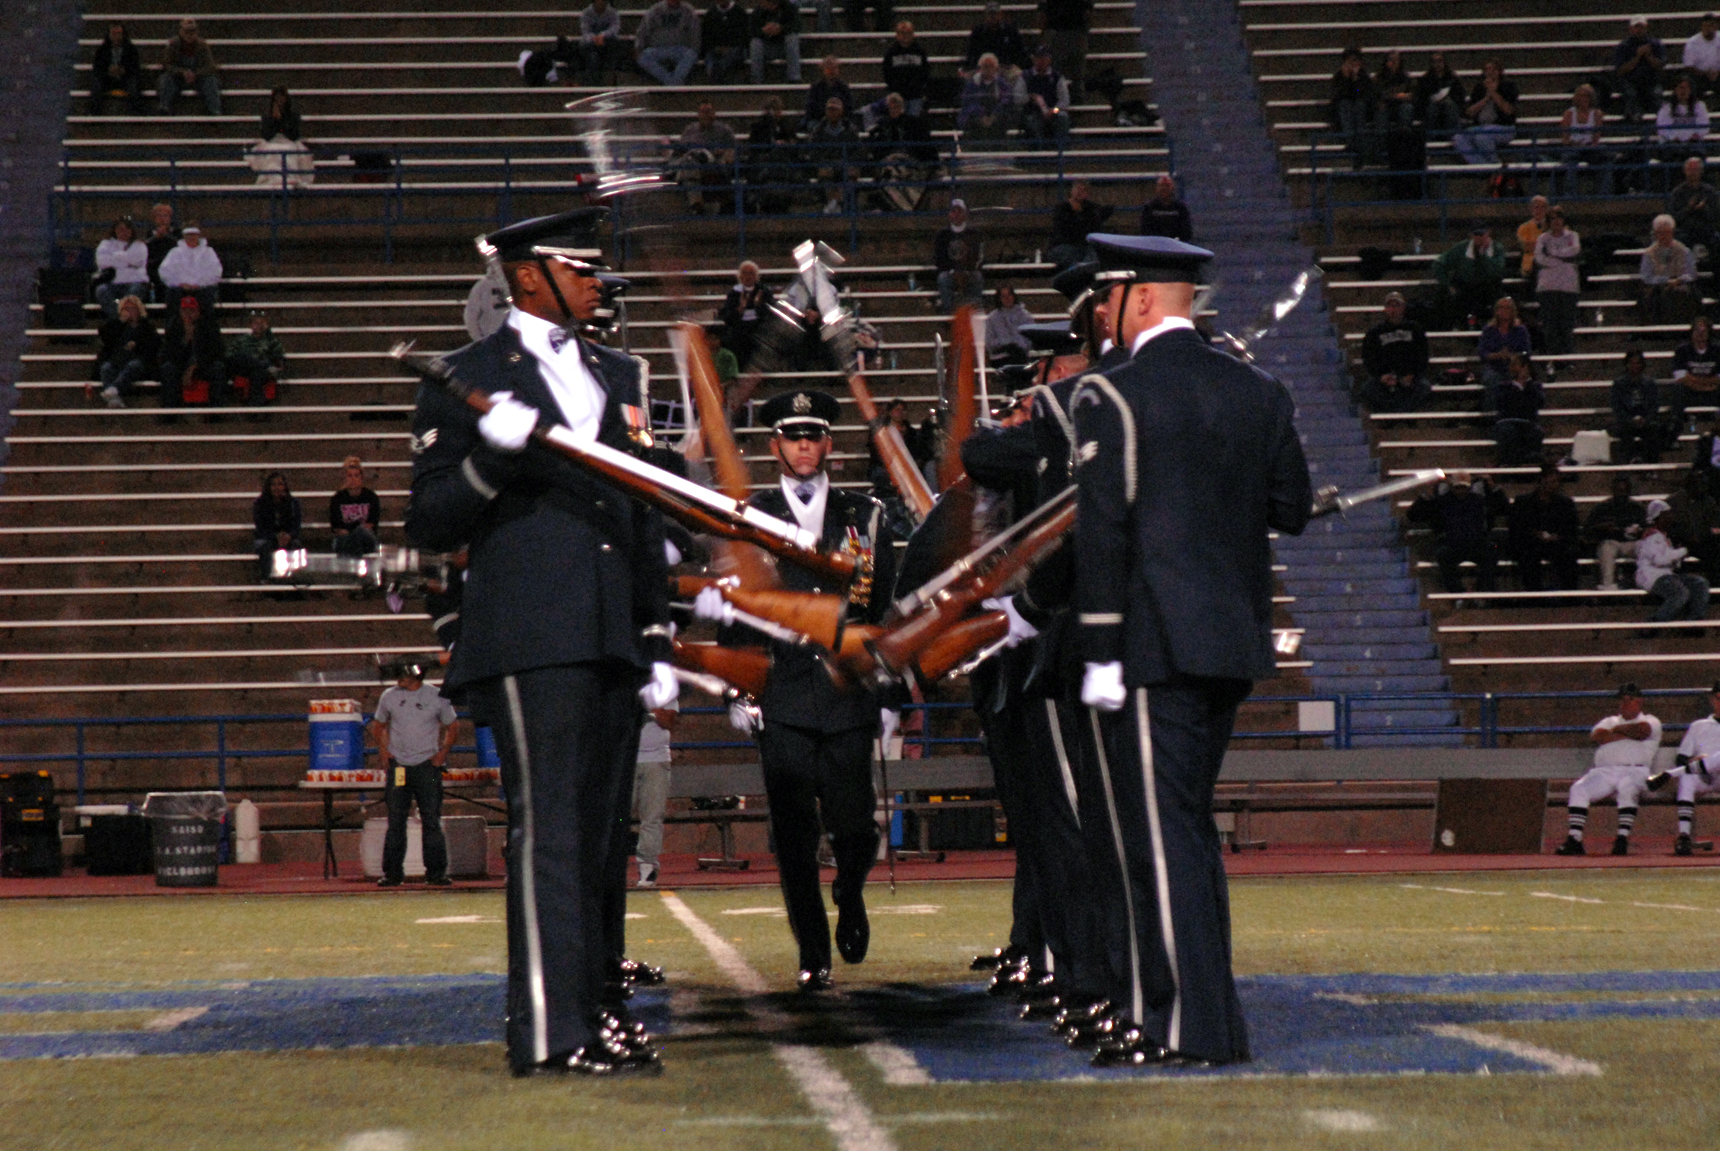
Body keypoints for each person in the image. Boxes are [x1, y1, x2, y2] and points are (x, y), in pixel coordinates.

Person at [404, 208, 675, 1077]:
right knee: (550, 829)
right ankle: (550, 1032)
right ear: (528, 277)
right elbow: (432, 516)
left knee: (598, 836)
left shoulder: (619, 368)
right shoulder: (469, 375)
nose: (599, 283)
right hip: (531, 628)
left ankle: (593, 1013)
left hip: (612, 627)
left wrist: (659, 626)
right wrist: (491, 456)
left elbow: (640, 506)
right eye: (580, 268)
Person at [1070, 233, 1311, 1069]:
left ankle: (1183, 1026)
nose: (1106, 312)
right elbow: (1295, 507)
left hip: (1150, 641)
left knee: (1157, 837)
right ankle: (1200, 1018)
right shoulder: (1261, 390)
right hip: (1233, 639)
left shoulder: (1112, 392)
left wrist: (1099, 646)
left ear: (1138, 297)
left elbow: (1103, 528)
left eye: (1111, 296)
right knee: (1190, 833)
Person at [695, 389, 895, 992]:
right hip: (780, 688)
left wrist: (882, 689)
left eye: (814, 436)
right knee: (793, 832)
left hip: (844, 688)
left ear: (829, 444)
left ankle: (851, 889)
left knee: (856, 826)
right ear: (774, 444)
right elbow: (735, 610)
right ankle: (813, 949)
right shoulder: (748, 513)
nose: (804, 446)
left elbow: (879, 605)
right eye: (793, 436)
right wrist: (737, 689)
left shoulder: (867, 514)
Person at [371, 663, 459, 886]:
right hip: (399, 767)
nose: (398, 679)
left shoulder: (437, 695)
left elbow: (453, 725)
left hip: (427, 767)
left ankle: (436, 873)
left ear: (416, 675)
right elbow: (379, 725)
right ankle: (392, 873)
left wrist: (442, 753)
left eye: (403, 674)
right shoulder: (389, 696)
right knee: (396, 820)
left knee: (431, 819)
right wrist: (384, 751)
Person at [1554, 685, 1662, 857]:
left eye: (1629, 700)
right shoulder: (1610, 720)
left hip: (1634, 770)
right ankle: (1575, 839)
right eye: (1622, 700)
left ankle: (1622, 839)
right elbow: (1598, 736)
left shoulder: (1651, 720)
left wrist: (1617, 731)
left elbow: (1642, 731)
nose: (1625, 704)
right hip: (1605, 771)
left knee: (1627, 788)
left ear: (1640, 701)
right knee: (1579, 788)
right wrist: (1624, 732)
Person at [1647, 681, 1720, 854]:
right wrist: (1695, 760)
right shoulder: (1699, 726)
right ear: (1712, 700)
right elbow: (1682, 757)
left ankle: (1668, 774)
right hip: (1704, 776)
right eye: (1718, 698)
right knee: (1688, 777)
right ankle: (1684, 836)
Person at [1409, 470, 1507, 594]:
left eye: (1463, 487)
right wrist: (1429, 493)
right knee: (1442, 554)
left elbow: (1505, 509)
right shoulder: (1441, 502)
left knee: (1493, 549)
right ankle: (1458, 593)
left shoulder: (1480, 501)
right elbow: (1413, 515)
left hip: (1478, 544)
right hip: (1450, 545)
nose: (1461, 491)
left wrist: (1494, 488)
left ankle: (1483, 591)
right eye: (1457, 487)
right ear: (1451, 487)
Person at [1636, 498, 1710, 625]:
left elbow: (1669, 560)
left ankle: (1695, 620)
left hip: (1667, 575)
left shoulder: (1664, 536)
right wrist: (1683, 551)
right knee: (1680, 593)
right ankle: (1654, 622)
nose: (1671, 516)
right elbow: (1660, 560)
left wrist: (1677, 557)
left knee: (1699, 583)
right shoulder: (1652, 536)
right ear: (1659, 516)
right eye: (1667, 514)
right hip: (1653, 577)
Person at [1508, 464, 1578, 590]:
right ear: (1541, 481)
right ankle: (1534, 595)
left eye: (1556, 481)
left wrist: (1558, 536)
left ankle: (1570, 596)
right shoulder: (1523, 502)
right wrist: (1534, 533)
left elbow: (1571, 527)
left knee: (1569, 554)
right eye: (1550, 481)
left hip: (1557, 543)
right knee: (1527, 554)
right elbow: (1516, 527)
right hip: (1531, 542)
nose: (1553, 485)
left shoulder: (1565, 503)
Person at [1359, 291, 1430, 411]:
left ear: (1403, 307)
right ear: (1385, 308)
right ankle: (1393, 414)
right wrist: (1382, 375)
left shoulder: (1415, 329)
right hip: (1384, 377)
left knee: (1424, 387)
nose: (1393, 309)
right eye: (1390, 306)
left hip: (1410, 376)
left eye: (1397, 305)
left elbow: (1422, 355)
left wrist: (1411, 374)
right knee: (1368, 389)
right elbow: (1369, 357)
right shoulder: (1375, 332)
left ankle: (1400, 414)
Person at [632, 698, 676, 888]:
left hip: (655, 761)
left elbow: (669, 721)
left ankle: (647, 868)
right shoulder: (624, 681)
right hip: (626, 757)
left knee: (651, 816)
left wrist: (648, 707)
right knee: (617, 819)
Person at [1432, 222, 1506, 328]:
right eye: (1476, 234)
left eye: (1482, 234)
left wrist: (1483, 256)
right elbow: (1438, 264)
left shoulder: (1497, 249)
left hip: (1488, 290)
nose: (1479, 237)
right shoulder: (1461, 248)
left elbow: (1496, 272)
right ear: (1471, 235)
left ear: (1488, 233)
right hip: (1465, 290)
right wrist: (1448, 284)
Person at [670, 101, 737, 216]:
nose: (706, 115)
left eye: (709, 112)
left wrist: (720, 153)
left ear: (714, 114)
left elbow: (732, 152)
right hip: (692, 163)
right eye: (703, 112)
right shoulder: (690, 130)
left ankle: (695, 203)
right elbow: (681, 149)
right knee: (689, 164)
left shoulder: (724, 131)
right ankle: (696, 203)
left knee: (688, 170)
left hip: (713, 164)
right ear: (698, 114)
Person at [93, 294, 159, 409]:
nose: (129, 312)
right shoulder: (116, 325)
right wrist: (120, 322)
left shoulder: (147, 326)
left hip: (139, 361)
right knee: (106, 368)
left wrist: (137, 344)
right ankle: (114, 398)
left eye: (133, 308)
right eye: (126, 309)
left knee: (133, 366)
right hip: (117, 360)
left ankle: (113, 389)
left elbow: (153, 346)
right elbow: (106, 338)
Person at [159, 295, 226, 408]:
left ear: (198, 311)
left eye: (192, 310)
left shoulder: (209, 326)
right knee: (167, 368)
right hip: (180, 365)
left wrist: (194, 367)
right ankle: (170, 412)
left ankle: (215, 411)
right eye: (185, 310)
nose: (188, 314)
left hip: (202, 365)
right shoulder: (174, 326)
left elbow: (216, 351)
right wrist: (185, 339)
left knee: (218, 368)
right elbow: (168, 353)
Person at [1533, 206, 1581, 357]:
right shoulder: (1543, 238)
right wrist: (1561, 260)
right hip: (1548, 286)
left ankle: (1567, 357)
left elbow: (1574, 250)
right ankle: (1552, 356)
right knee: (1550, 324)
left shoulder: (1572, 236)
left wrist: (1553, 254)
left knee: (1566, 324)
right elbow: (1539, 258)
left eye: (1558, 218)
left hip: (1568, 286)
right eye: (1552, 219)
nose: (1556, 222)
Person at [1586, 475, 1647, 591]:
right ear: (1613, 490)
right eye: (1619, 491)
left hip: (1632, 543)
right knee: (1606, 548)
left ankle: (1645, 582)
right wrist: (1603, 528)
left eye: (1624, 491)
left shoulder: (1637, 508)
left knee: (1646, 547)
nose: (1621, 494)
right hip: (1611, 542)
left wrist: (1638, 531)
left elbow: (1646, 529)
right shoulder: (1602, 508)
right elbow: (1589, 529)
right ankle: (1608, 585)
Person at [1454, 59, 1517, 165]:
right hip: (1480, 127)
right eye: (1487, 69)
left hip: (1504, 128)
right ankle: (1482, 165)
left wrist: (1493, 92)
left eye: (1494, 69)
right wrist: (1486, 98)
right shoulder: (1479, 88)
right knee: (1458, 138)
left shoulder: (1508, 86)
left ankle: (1495, 164)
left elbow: (1508, 111)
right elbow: (1469, 112)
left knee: (1482, 136)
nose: (1490, 72)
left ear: (1500, 72)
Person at [1643, 213, 1702, 325]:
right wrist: (1664, 281)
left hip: (1680, 284)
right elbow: (1646, 277)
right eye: (1660, 233)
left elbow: (1692, 273)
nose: (1663, 236)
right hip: (1658, 287)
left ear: (1672, 232)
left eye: (1666, 232)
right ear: (1655, 234)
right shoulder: (1649, 253)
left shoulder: (1684, 251)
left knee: (1683, 293)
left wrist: (1679, 280)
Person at [156, 17, 221, 116]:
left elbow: (210, 66)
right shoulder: (173, 45)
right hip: (178, 78)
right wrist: (182, 72)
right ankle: (164, 106)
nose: (189, 35)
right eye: (186, 32)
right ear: (181, 31)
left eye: (192, 32)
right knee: (165, 79)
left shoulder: (202, 45)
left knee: (211, 81)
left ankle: (214, 109)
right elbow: (167, 64)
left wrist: (196, 74)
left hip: (198, 78)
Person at [1612, 348, 1668, 463]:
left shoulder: (1649, 383)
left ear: (1642, 365)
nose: (1634, 366)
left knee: (1654, 430)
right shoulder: (1619, 384)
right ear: (1626, 364)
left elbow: (1654, 405)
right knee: (1623, 430)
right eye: (1631, 363)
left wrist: (1646, 419)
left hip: (1646, 420)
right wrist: (1630, 419)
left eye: (1637, 363)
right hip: (1626, 421)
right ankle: (1626, 466)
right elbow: (1617, 407)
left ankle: (1651, 466)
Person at [808, 96, 860, 215]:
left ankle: (837, 203)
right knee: (826, 174)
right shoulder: (818, 130)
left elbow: (858, 149)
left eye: (835, 109)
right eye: (830, 109)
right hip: (826, 163)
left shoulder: (849, 129)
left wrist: (851, 163)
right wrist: (821, 163)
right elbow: (812, 151)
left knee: (851, 174)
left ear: (841, 111)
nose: (832, 112)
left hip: (845, 163)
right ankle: (833, 204)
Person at [155, 223, 222, 316]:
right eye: (189, 235)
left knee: (206, 298)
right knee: (172, 296)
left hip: (202, 288)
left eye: (194, 235)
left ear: (198, 236)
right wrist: (179, 283)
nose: (191, 238)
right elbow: (165, 271)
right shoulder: (175, 252)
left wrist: (199, 284)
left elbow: (215, 272)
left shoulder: (208, 252)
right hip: (180, 288)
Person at [1476, 296, 1532, 406]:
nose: (1504, 311)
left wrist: (1514, 357)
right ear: (1496, 311)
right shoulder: (1489, 330)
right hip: (1494, 366)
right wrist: (1497, 355)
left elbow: (1526, 351)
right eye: (1501, 308)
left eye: (1508, 308)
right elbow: (1482, 353)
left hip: (1515, 367)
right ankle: (1492, 414)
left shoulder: (1520, 330)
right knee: (1492, 380)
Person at [716, 261, 773, 369]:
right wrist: (740, 309)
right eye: (745, 273)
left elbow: (770, 314)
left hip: (758, 329)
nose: (748, 276)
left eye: (751, 273)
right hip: (739, 329)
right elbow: (727, 315)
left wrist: (758, 306)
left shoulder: (764, 291)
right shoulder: (734, 293)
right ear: (740, 276)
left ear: (756, 276)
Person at [1493, 352, 1545, 466]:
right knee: (1509, 433)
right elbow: (1504, 403)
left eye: (1515, 364)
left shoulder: (1535, 387)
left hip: (1528, 423)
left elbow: (1538, 403)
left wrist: (1526, 384)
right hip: (1507, 422)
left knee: (1534, 433)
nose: (1511, 367)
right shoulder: (1502, 386)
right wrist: (1521, 393)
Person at [634, 0, 701, 86]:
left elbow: (695, 32)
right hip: (658, 49)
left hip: (680, 49)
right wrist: (638, 46)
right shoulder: (655, 10)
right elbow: (643, 30)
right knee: (643, 57)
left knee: (691, 54)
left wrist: (695, 48)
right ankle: (672, 82)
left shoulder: (688, 11)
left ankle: (673, 82)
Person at [93, 217, 150, 319]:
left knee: (134, 293)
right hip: (113, 283)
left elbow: (138, 261)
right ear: (115, 230)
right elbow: (102, 262)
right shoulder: (105, 244)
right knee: (101, 290)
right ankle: (119, 318)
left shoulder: (139, 245)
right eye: (120, 229)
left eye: (127, 229)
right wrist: (127, 260)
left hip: (135, 282)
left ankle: (128, 319)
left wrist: (115, 258)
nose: (123, 232)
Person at [1048, 180, 1112, 269]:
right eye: (1077, 189)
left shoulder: (1091, 208)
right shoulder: (1062, 208)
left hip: (1084, 246)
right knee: (1068, 253)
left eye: (1083, 190)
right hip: (1066, 245)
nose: (1079, 193)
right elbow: (1067, 231)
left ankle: (1085, 270)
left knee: (1095, 251)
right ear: (1072, 191)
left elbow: (1094, 228)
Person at [1328, 47, 1377, 165]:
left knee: (1359, 105)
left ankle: (1358, 142)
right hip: (1344, 107)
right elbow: (1340, 94)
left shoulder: (1363, 76)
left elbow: (1361, 92)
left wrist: (1355, 80)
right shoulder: (1339, 76)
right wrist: (1346, 78)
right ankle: (1351, 141)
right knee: (1345, 105)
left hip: (1361, 107)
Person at [934, 199, 984, 311]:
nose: (956, 214)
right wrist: (953, 272)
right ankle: (948, 315)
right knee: (943, 279)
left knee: (977, 277)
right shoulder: (942, 235)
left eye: (959, 211)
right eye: (953, 211)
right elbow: (939, 259)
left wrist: (965, 271)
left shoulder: (974, 234)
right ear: (949, 214)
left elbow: (979, 257)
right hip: (949, 273)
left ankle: (975, 313)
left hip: (969, 271)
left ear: (965, 214)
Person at [225, 310, 286, 404]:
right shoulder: (242, 340)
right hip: (245, 367)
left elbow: (278, 357)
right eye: (256, 323)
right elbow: (229, 355)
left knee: (257, 373)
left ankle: (255, 406)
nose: (259, 325)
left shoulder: (271, 341)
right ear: (251, 325)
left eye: (262, 323)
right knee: (244, 357)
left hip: (261, 371)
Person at [1613, 16, 1667, 122]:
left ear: (1646, 28)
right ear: (1631, 29)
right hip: (1631, 81)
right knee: (1630, 94)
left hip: (1651, 81)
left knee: (1657, 95)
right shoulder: (1624, 46)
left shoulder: (1655, 44)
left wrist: (1648, 56)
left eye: (1641, 27)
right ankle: (1633, 120)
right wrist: (1637, 57)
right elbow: (1620, 70)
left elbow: (1660, 66)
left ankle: (1663, 120)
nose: (1639, 30)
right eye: (1636, 27)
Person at [1671, 314, 1720, 427]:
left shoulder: (1717, 351)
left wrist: (1696, 381)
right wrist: (1706, 385)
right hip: (1690, 392)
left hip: (1713, 392)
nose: (1700, 333)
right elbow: (1682, 378)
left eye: (1704, 330)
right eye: (1697, 330)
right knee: (1678, 388)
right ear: (1692, 331)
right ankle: (1676, 425)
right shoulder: (1682, 351)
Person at [1670, 468, 1720, 578]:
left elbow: (1715, 524)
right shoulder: (1675, 501)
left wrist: (1705, 533)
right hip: (1681, 541)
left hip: (1704, 541)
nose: (1702, 487)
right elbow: (1672, 524)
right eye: (1698, 484)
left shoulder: (1709, 502)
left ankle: (1714, 583)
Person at [1020, 44, 1072, 148]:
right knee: (1031, 122)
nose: (1042, 61)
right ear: (1034, 59)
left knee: (1063, 118)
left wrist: (1054, 110)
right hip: (1033, 112)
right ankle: (1038, 153)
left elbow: (1064, 100)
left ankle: (1061, 152)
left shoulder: (1057, 77)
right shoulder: (1025, 76)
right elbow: (1018, 98)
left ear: (1049, 60)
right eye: (1039, 58)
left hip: (1053, 112)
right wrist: (1030, 97)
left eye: (1044, 58)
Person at [252, 472, 302, 579]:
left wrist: (288, 535)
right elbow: (260, 527)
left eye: (280, 484)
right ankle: (267, 580)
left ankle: (293, 580)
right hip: (267, 537)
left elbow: (296, 525)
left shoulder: (293, 503)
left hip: (288, 538)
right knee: (266, 547)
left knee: (295, 546)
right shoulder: (260, 504)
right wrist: (276, 536)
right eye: (273, 484)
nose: (277, 487)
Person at [959, 52, 1020, 141]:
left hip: (996, 116)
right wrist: (981, 115)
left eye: (991, 66)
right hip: (977, 116)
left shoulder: (1002, 84)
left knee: (1003, 118)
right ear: (980, 68)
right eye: (985, 66)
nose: (988, 69)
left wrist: (993, 116)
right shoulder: (972, 84)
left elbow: (1006, 100)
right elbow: (968, 101)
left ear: (996, 68)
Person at [1558, 84, 1607, 194]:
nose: (1583, 99)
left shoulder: (1596, 114)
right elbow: (1565, 138)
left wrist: (1589, 145)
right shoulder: (1569, 114)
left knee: (1604, 160)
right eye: (1580, 96)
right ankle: (1570, 194)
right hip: (1573, 147)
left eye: (1586, 96)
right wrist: (1574, 143)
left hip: (1590, 148)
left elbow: (1596, 138)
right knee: (1570, 161)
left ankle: (1602, 193)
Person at [330, 456, 382, 557]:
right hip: (344, 539)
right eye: (349, 476)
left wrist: (356, 532)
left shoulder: (371, 497)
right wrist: (351, 535)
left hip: (365, 538)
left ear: (361, 478)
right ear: (345, 478)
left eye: (356, 475)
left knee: (361, 534)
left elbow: (371, 524)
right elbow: (336, 527)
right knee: (346, 542)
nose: (353, 479)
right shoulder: (338, 498)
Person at [877, 21, 930, 119]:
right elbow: (887, 73)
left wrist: (917, 87)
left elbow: (925, 72)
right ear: (897, 35)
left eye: (908, 33)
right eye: (902, 33)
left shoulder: (920, 51)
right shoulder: (891, 52)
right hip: (897, 96)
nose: (905, 36)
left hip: (915, 95)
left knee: (913, 123)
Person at [1040, 0, 1090, 102]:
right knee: (1059, 70)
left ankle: (1073, 97)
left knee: (1076, 71)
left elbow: (1088, 11)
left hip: (1071, 31)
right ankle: (1058, 96)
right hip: (1062, 31)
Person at [89, 23, 144, 116]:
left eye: (118, 33)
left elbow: (135, 67)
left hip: (125, 79)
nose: (116, 36)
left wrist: (124, 70)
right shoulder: (102, 50)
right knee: (96, 83)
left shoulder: (131, 49)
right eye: (113, 33)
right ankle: (94, 112)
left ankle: (137, 112)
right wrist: (108, 70)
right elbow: (97, 68)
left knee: (134, 84)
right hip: (107, 79)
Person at [1655, 74, 1710, 167]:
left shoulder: (1699, 106)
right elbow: (1662, 128)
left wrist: (1695, 135)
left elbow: (1704, 124)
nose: (1683, 91)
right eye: (1680, 87)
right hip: (1673, 143)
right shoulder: (1666, 108)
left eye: (1686, 88)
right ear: (1675, 90)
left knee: (1697, 153)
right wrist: (1673, 137)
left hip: (1693, 143)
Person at [1670, 156, 1720, 255]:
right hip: (1686, 231)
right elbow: (1674, 217)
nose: (1693, 173)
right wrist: (1689, 208)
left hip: (1706, 231)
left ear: (1701, 171)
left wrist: (1704, 208)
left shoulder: (1709, 191)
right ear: (1685, 171)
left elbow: (1716, 215)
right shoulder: (1678, 192)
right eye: (1690, 169)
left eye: (1696, 169)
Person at [964, 1, 1031, 75]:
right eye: (990, 14)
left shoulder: (1010, 30)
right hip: (984, 68)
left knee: (1017, 74)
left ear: (1000, 15)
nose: (993, 16)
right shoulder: (978, 32)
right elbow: (971, 53)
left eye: (995, 14)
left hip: (1006, 68)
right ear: (985, 15)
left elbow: (1020, 51)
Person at [748, 0, 802, 84]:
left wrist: (781, 28)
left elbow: (797, 26)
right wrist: (764, 31)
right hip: (767, 47)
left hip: (785, 48)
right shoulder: (759, 11)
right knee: (755, 43)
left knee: (792, 38)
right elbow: (751, 30)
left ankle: (794, 77)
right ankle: (756, 79)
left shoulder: (789, 8)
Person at [576, 0, 626, 84]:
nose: (601, 3)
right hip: (590, 45)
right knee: (592, 56)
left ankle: (613, 79)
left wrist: (603, 36)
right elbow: (585, 31)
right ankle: (593, 83)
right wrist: (594, 38)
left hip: (607, 43)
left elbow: (614, 28)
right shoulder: (586, 13)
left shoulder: (613, 13)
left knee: (615, 48)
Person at [1414, 50, 1464, 134]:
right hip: (1431, 108)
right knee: (1433, 108)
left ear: (1444, 62)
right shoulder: (1425, 80)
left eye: (1440, 61)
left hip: (1449, 108)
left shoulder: (1453, 78)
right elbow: (1421, 99)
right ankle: (1430, 138)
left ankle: (1452, 137)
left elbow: (1459, 96)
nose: (1437, 64)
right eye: (1434, 61)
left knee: (1450, 105)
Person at [700, 0, 750, 82]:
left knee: (736, 53)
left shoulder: (739, 12)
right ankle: (714, 76)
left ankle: (717, 74)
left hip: (735, 48)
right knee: (709, 55)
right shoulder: (711, 14)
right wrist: (717, 48)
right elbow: (706, 37)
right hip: (715, 49)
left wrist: (729, 47)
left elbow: (743, 36)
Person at [985, 284, 1034, 366]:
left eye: (1009, 295)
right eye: (1003, 296)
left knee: (1018, 354)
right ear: (999, 299)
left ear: (1014, 296)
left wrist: (1017, 343)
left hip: (1022, 354)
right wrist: (1005, 342)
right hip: (1000, 356)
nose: (1007, 299)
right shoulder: (992, 318)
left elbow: (1030, 338)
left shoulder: (1025, 316)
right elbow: (989, 343)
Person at [803, 54, 855, 131]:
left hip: (840, 120)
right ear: (823, 70)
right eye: (828, 69)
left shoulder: (843, 87)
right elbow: (811, 108)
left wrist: (837, 115)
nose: (831, 71)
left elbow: (849, 107)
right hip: (819, 119)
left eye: (834, 68)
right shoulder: (816, 87)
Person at [1139, 174, 1193, 242]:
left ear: (1172, 188)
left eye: (1167, 186)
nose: (1164, 189)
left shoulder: (1180, 208)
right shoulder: (1149, 207)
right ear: (1157, 188)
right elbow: (1145, 231)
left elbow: (1186, 233)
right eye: (1161, 186)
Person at [144, 203, 179, 300]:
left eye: (165, 216)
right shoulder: (150, 234)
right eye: (158, 216)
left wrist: (166, 236)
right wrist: (156, 238)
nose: (162, 219)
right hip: (155, 267)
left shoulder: (177, 233)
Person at [1374, 49, 1415, 130]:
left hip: (1400, 105)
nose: (1393, 63)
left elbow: (1411, 93)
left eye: (1396, 60)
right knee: (1381, 111)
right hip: (1386, 105)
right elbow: (1378, 93)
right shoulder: (1380, 77)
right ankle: (1382, 139)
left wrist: (1405, 96)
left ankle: (1403, 135)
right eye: (1391, 60)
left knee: (1407, 108)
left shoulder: (1405, 76)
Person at [1516, 195, 1549, 294]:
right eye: (1536, 207)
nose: (1539, 210)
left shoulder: (1553, 227)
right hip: (1531, 266)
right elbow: (1526, 247)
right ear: (1531, 209)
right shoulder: (1524, 228)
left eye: (1542, 207)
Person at [1688, 12, 1720, 104]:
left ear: (1716, 26)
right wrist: (1706, 73)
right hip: (1700, 76)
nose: (1708, 28)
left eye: (1711, 25)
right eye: (1705, 25)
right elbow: (1689, 66)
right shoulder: (1692, 42)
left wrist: (1717, 73)